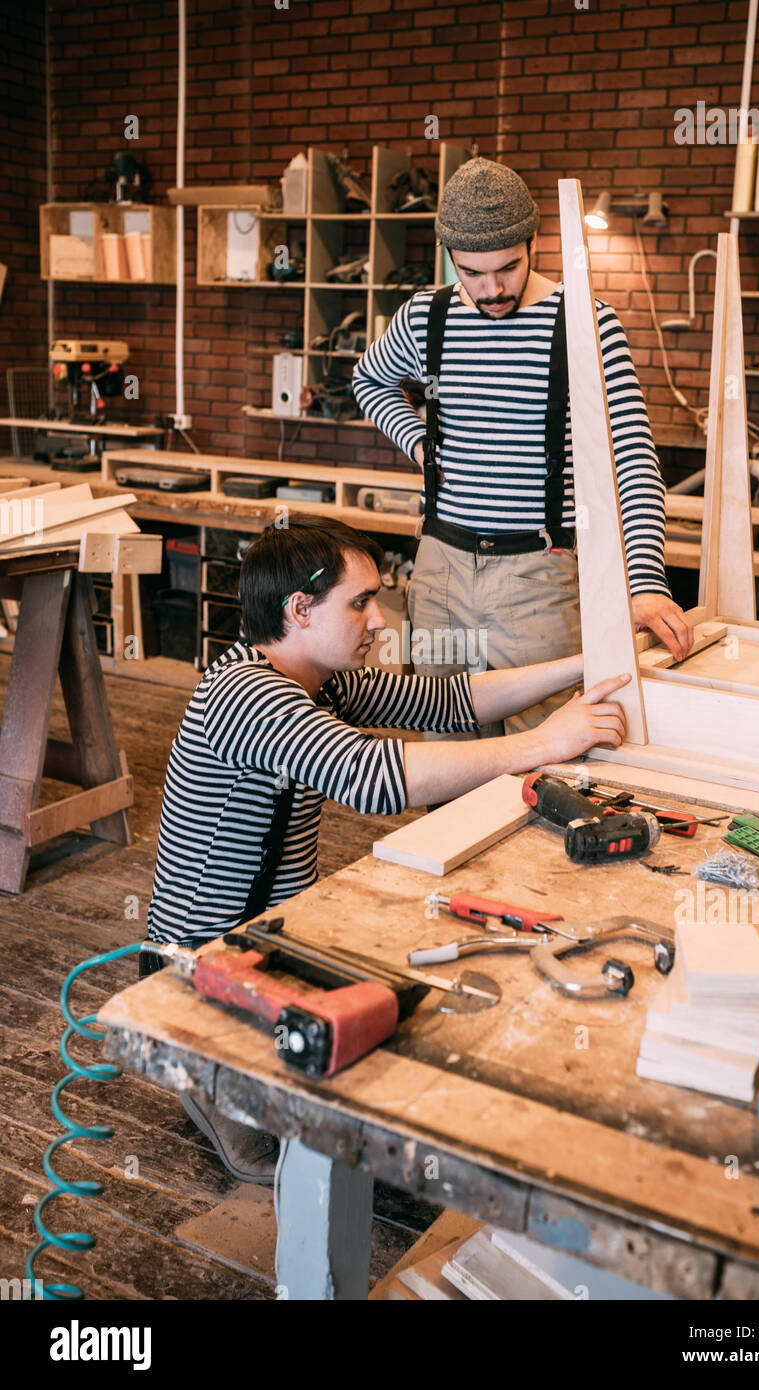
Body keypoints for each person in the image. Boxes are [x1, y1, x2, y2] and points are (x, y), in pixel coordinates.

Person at [144, 515, 631, 1181]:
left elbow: (446, 701)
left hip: (270, 932)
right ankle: (201, 1070)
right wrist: (542, 745)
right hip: (200, 958)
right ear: (299, 609)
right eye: (360, 602)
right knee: (321, 1102)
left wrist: (590, 663)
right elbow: (373, 780)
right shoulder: (245, 694)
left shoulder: (313, 674)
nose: (379, 620)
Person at [353, 157, 694, 735]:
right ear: (450, 257)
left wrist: (644, 584)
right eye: (472, 273)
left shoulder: (586, 324)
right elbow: (369, 380)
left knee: (549, 741)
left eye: (506, 269)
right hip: (440, 567)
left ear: (533, 240)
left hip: (541, 575)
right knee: (445, 736)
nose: (490, 290)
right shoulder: (426, 317)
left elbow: (632, 462)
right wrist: (421, 444)